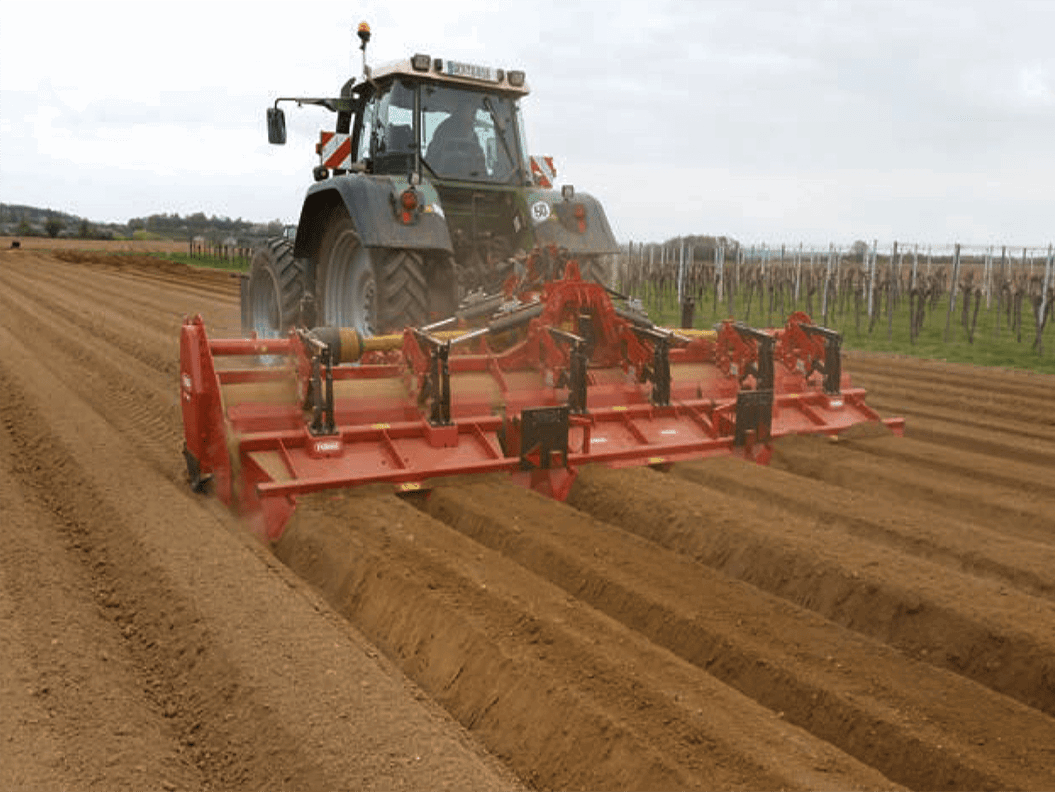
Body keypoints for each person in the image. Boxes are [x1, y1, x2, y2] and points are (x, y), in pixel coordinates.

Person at [425, 100, 485, 176]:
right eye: (471, 112)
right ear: (460, 111)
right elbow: (432, 159)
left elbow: (479, 164)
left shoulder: (473, 136)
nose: (473, 117)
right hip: (444, 179)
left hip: (469, 180)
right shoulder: (445, 129)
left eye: (474, 112)